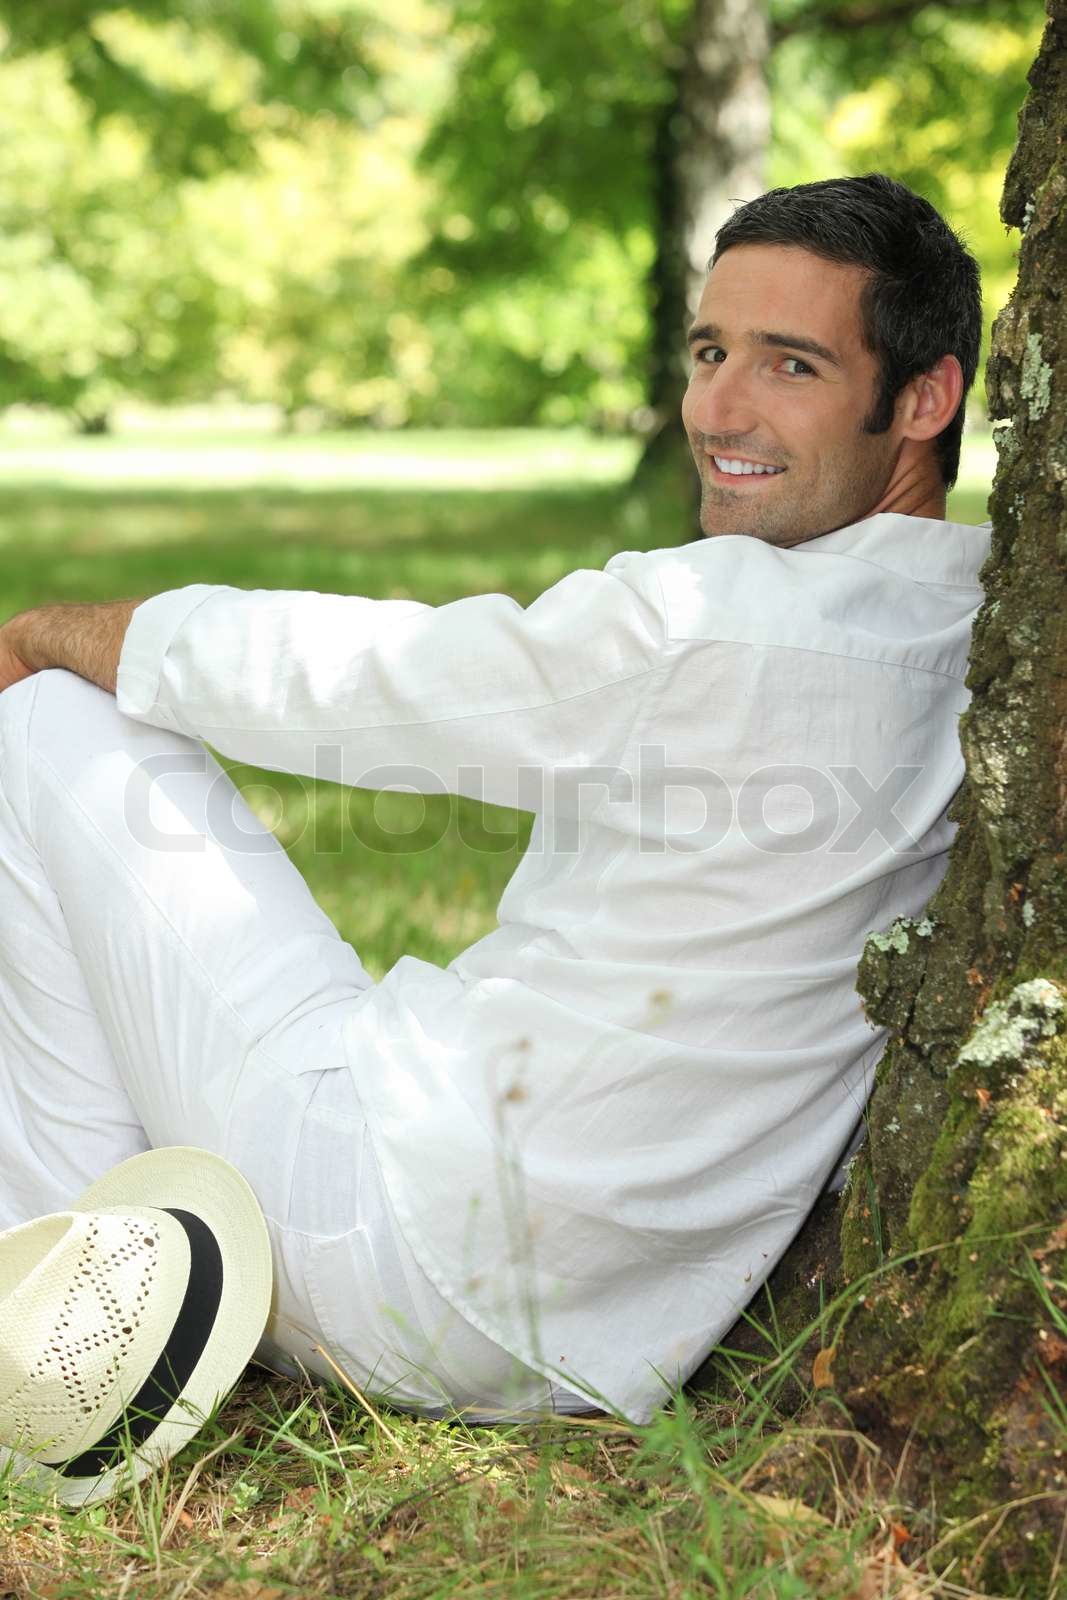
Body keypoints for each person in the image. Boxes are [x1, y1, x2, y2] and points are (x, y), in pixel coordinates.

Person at [0, 173, 989, 1429]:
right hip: (597, 1339)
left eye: (790, 366)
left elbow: (362, 684)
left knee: (42, 727)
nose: (718, 408)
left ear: (921, 397)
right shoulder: (982, 634)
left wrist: (57, 628)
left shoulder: (720, 621)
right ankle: (82, 1284)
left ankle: (50, 1307)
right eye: (708, 350)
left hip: (389, 1239)